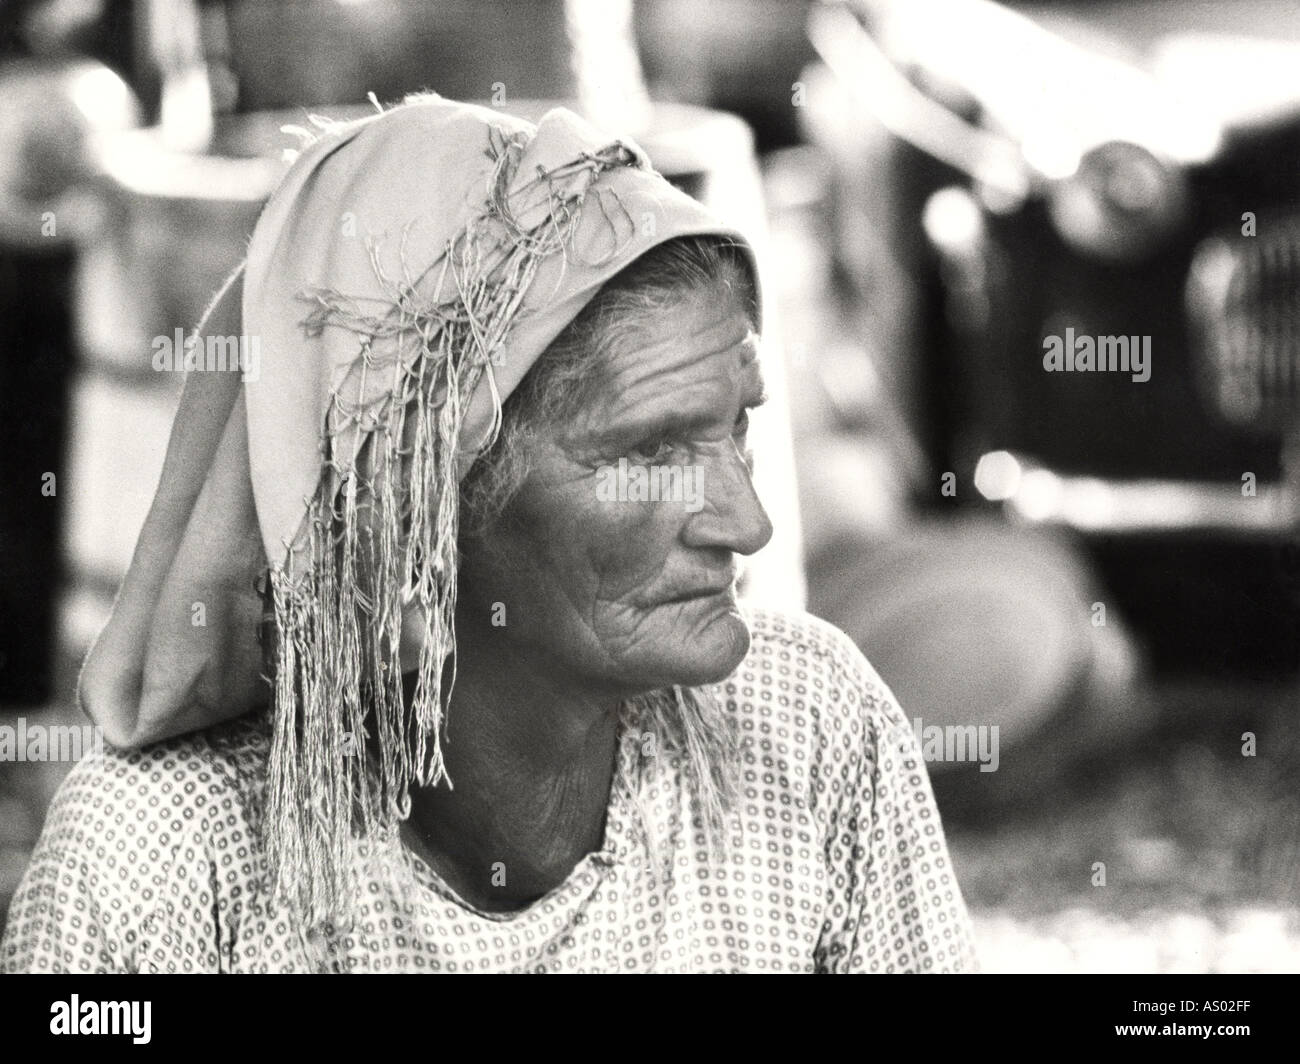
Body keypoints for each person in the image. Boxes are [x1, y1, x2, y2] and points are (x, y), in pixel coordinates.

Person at [1, 94, 976, 973]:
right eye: (649, 454)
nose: (748, 524)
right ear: (415, 520)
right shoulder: (163, 864)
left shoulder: (805, 727)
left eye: (737, 429)